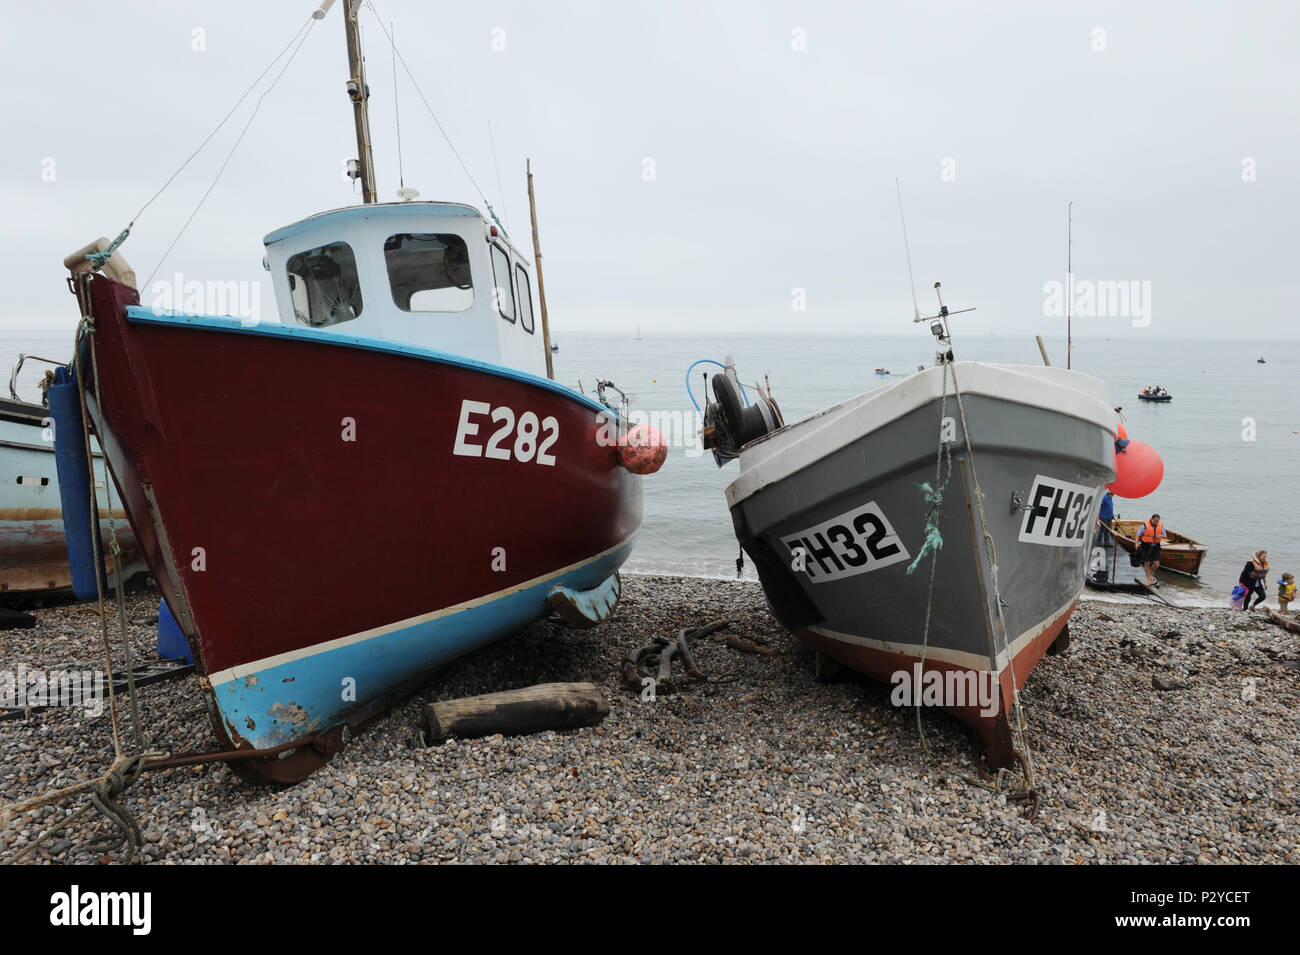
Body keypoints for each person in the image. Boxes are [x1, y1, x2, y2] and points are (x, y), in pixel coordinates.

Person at [1136, 513, 1166, 586]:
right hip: (1145, 546)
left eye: (1158, 521)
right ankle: (1149, 580)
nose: (1156, 522)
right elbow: (1138, 534)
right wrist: (1136, 543)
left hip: (1156, 546)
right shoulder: (1145, 526)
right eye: (1155, 521)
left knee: (1156, 564)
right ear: (1152, 519)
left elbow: (1164, 535)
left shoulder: (1160, 525)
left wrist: (1160, 535)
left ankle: (1150, 575)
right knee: (1147, 563)